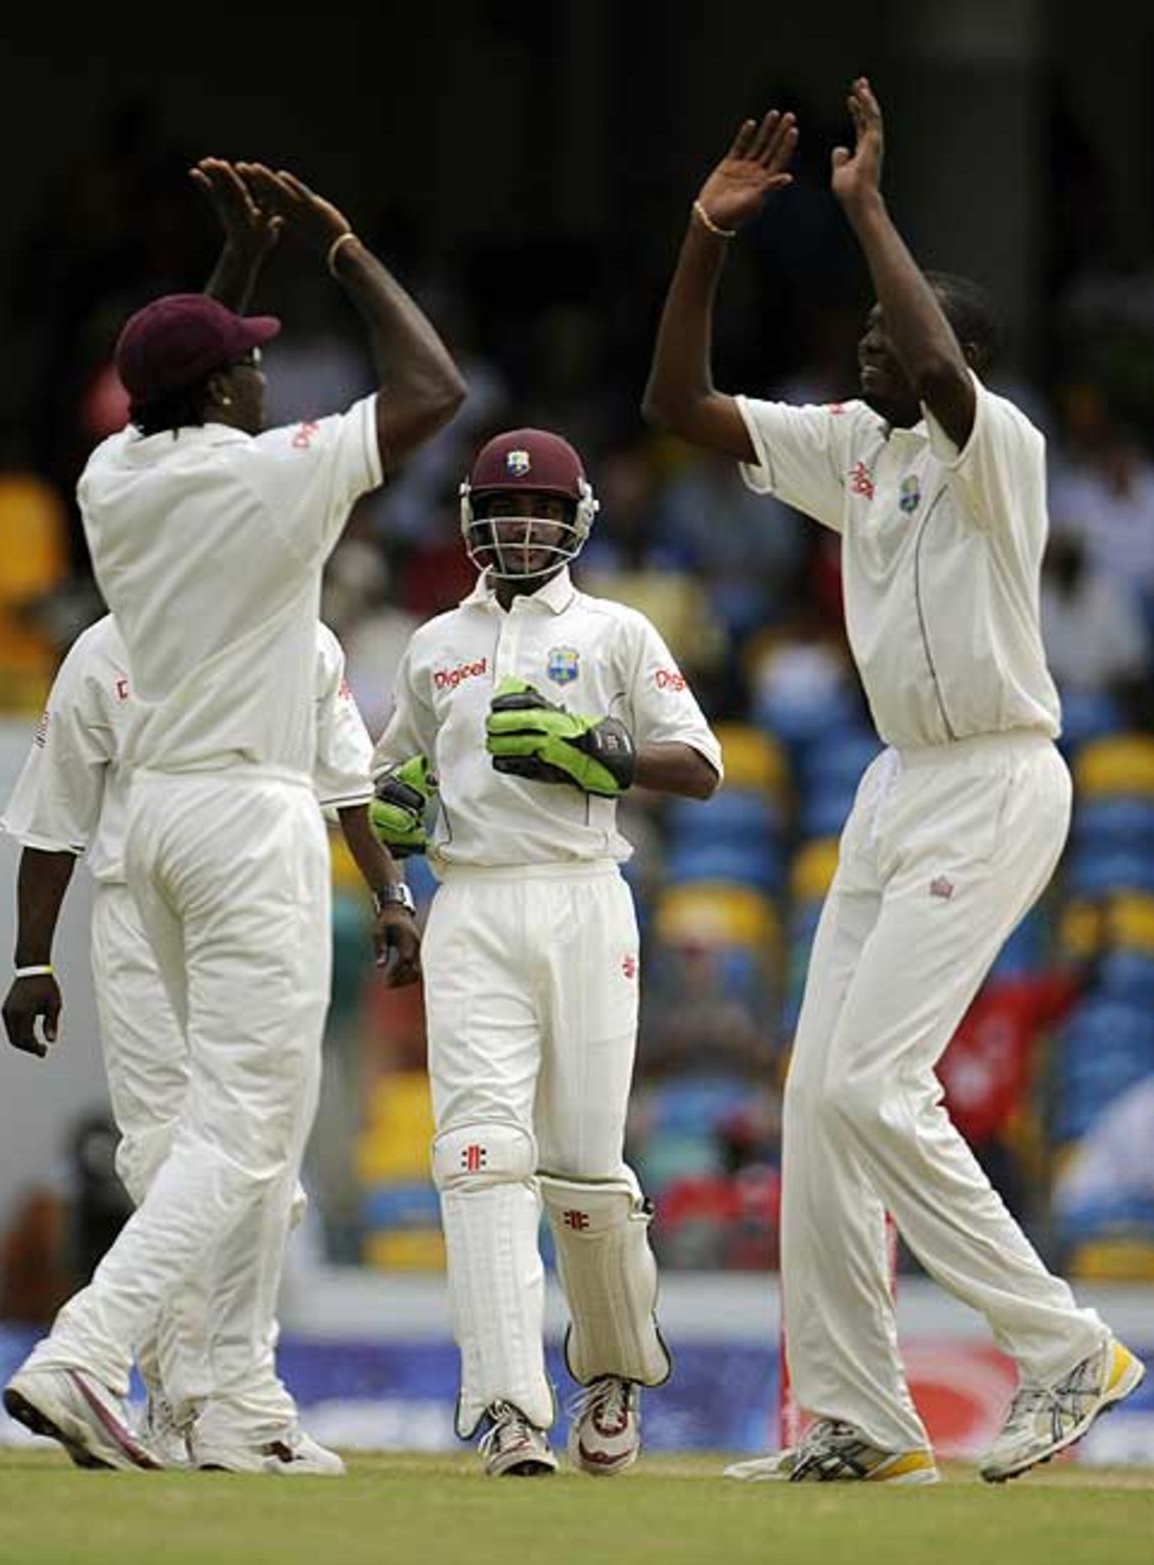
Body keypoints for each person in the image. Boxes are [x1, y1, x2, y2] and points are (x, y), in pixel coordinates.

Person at [642, 79, 1145, 1485]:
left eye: (894, 325)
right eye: (864, 326)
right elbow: (673, 402)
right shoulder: (847, 448)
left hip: (996, 775)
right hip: (895, 784)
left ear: (962, 357)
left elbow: (933, 370)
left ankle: (1065, 1349)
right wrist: (706, 235)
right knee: (818, 1099)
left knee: (874, 1085)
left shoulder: (1003, 451)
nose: (869, 340)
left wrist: (867, 211)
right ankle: (860, 1418)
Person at [1, 156, 465, 1471]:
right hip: (246, 814)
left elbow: (169, 392)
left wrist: (237, 273)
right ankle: (89, 1354)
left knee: (205, 1144)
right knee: (249, 1131)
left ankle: (220, 1402)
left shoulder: (108, 480)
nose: (272, 379)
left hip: (147, 827)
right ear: (225, 394)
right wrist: (344, 249)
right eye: (250, 364)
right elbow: (436, 390)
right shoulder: (273, 480)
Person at [370, 429, 722, 1477]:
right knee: (478, 1156)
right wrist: (399, 814)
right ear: (471, 518)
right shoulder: (436, 644)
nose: (520, 528)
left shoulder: (615, 631)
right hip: (470, 903)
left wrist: (598, 754)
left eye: (540, 512)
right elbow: (391, 781)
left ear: (575, 521)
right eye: (501, 510)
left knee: (580, 1169)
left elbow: (699, 762)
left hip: (583, 898)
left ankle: (609, 1368)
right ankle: (510, 1409)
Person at [0, 610, 420, 1473]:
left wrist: (393, 892)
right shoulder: (105, 648)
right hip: (142, 911)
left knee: (247, 1147)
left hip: (252, 892)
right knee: (174, 1149)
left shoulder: (300, 635)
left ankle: (220, 1405)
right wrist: (31, 960)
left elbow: (348, 784)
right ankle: (180, 1399)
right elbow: (55, 816)